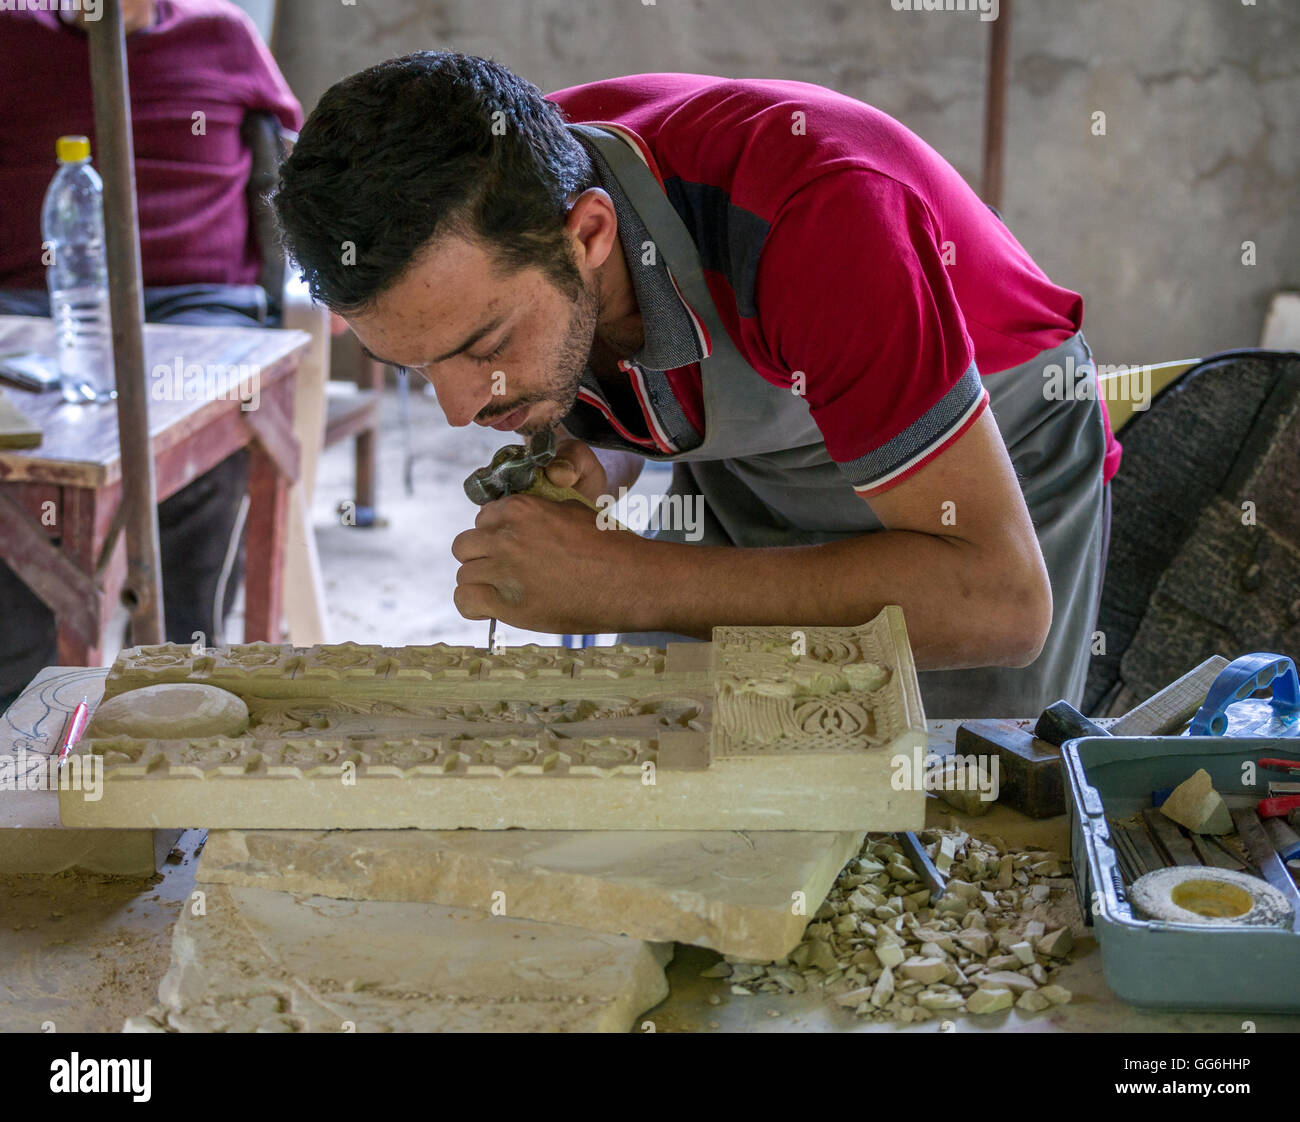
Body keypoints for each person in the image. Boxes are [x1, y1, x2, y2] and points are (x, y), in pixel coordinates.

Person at [274, 52, 1121, 717]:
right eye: (415, 368)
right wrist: (594, 461)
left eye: (480, 346)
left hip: (985, 478)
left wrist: (629, 582)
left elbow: (1001, 603)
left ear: (591, 234)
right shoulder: (508, 181)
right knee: (682, 772)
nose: (460, 408)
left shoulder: (818, 222)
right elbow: (615, 351)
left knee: (940, 821)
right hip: (761, 465)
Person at [0, 0, 301, 707]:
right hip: (30, 302)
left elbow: (298, 165)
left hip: (196, 302)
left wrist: (328, 283)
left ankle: (177, 673)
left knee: (206, 427)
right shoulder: (11, 35)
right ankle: (27, 695)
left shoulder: (220, 32)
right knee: (20, 466)